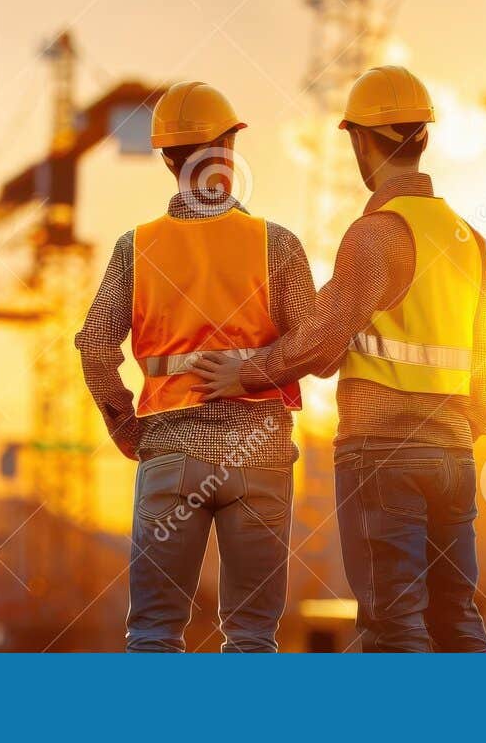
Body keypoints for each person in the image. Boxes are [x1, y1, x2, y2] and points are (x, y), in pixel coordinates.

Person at [189, 65, 486, 652]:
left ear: (361, 141)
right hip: (453, 457)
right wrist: (472, 420)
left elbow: (324, 340)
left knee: (395, 623)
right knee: (458, 619)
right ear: (425, 138)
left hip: (383, 456)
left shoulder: (376, 235)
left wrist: (247, 371)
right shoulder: (468, 237)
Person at [74, 81, 314, 652]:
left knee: (155, 634)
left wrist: (126, 428)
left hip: (171, 455)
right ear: (229, 151)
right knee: (252, 636)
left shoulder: (137, 247)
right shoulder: (276, 243)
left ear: (165, 159)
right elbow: (314, 341)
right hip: (260, 454)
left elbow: (93, 347)